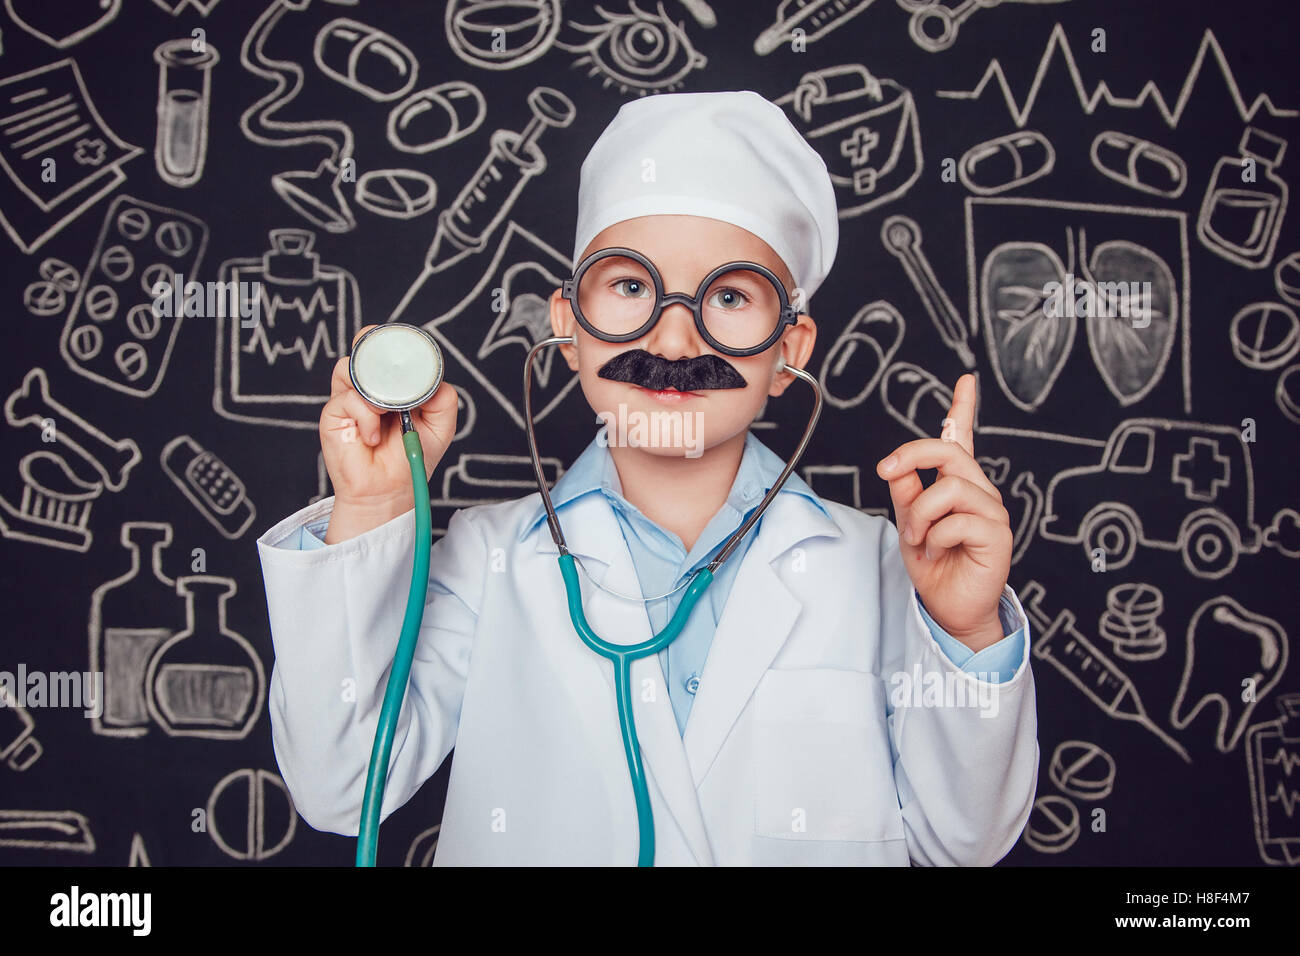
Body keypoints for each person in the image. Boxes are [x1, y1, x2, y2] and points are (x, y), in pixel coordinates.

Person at [256, 90, 1039, 866]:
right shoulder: (487, 558)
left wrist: (966, 634)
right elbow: (341, 786)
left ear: (790, 350)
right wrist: (376, 502)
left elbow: (964, 842)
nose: (673, 336)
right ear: (566, 327)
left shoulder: (884, 570)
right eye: (631, 287)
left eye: (728, 297)